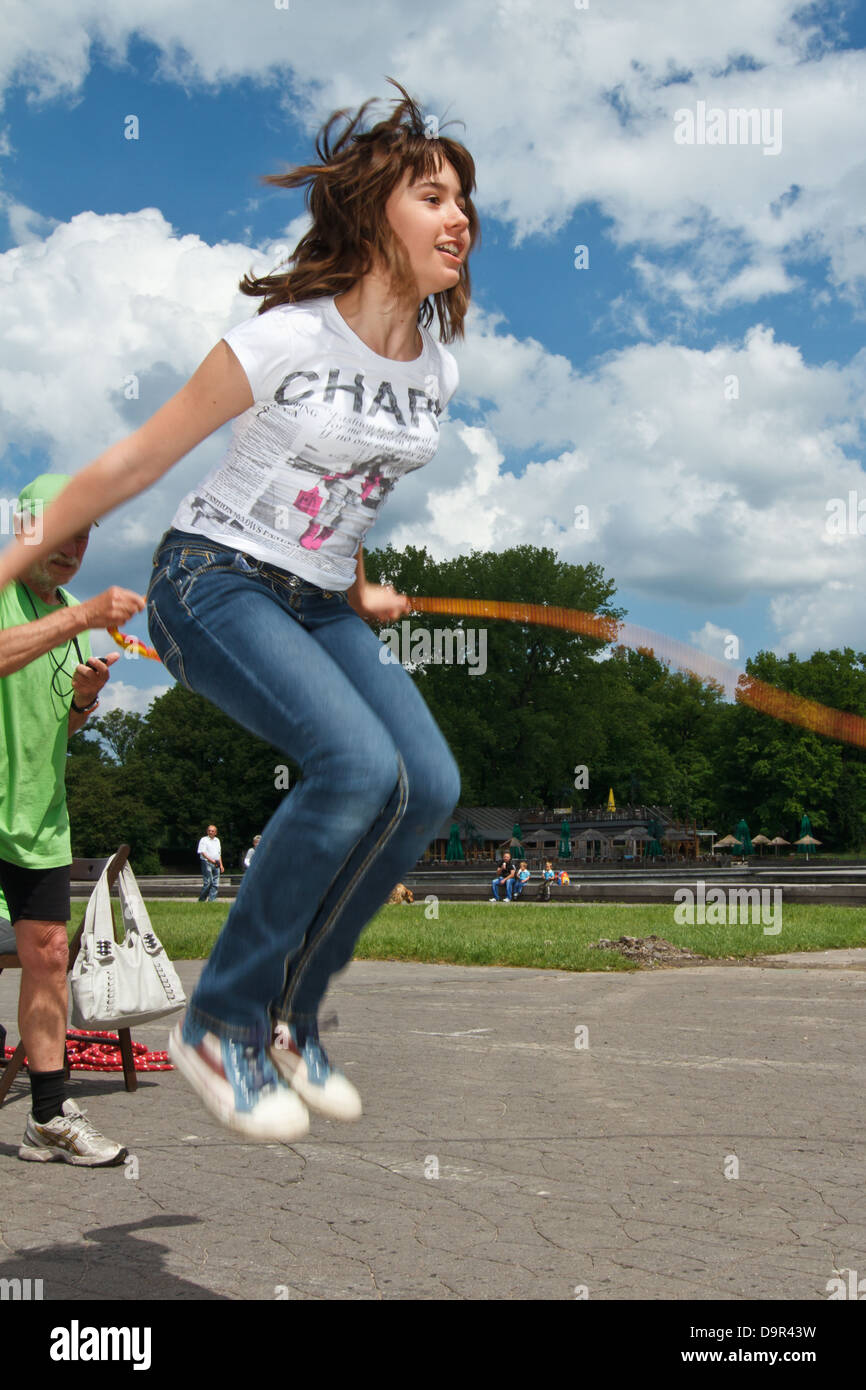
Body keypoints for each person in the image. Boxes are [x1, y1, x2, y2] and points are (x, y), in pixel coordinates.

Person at [0, 83, 477, 1145]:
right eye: (431, 195)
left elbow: (339, 502)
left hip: (316, 594)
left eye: (463, 204)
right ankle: (219, 1021)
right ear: (371, 217)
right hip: (209, 578)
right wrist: (13, 562)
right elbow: (133, 460)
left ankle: (291, 1017)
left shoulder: (435, 371)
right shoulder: (284, 339)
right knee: (354, 768)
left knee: (428, 782)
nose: (458, 219)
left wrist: (358, 589)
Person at [0, 474, 145, 1164]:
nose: (72, 547)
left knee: (50, 956)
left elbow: (57, 724)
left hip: (37, 818)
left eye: (84, 533)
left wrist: (84, 701)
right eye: (59, 530)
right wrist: (79, 618)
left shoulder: (61, 620)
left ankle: (48, 1118)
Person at [197, 824, 223, 902]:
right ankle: (201, 900)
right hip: (207, 862)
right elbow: (202, 852)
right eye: (209, 830)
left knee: (216, 883)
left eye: (212, 831)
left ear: (216, 832)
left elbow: (219, 854)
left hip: (216, 863)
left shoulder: (217, 840)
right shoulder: (204, 840)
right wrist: (212, 861)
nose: (210, 832)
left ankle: (212, 900)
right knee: (208, 882)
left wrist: (221, 865)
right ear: (207, 831)